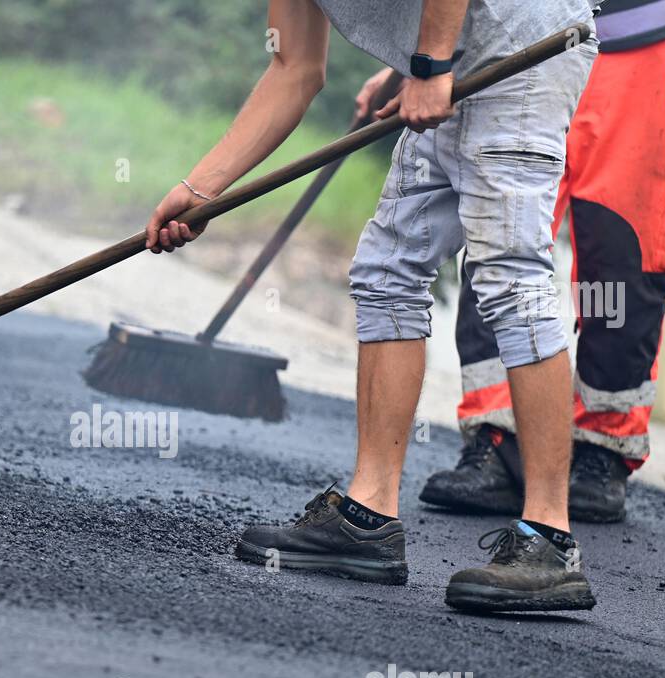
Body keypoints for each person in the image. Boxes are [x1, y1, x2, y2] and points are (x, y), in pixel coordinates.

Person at [145, 0, 598, 612]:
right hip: (448, 61)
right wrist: (201, 188)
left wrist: (431, 65)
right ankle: (368, 518)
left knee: (509, 276)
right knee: (386, 269)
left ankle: (550, 539)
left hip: (521, 49)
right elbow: (295, 70)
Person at [422, 0, 665, 523]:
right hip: (527, 27)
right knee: (502, 228)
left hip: (651, 30)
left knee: (620, 252)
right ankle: (496, 437)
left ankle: (602, 447)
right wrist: (421, 58)